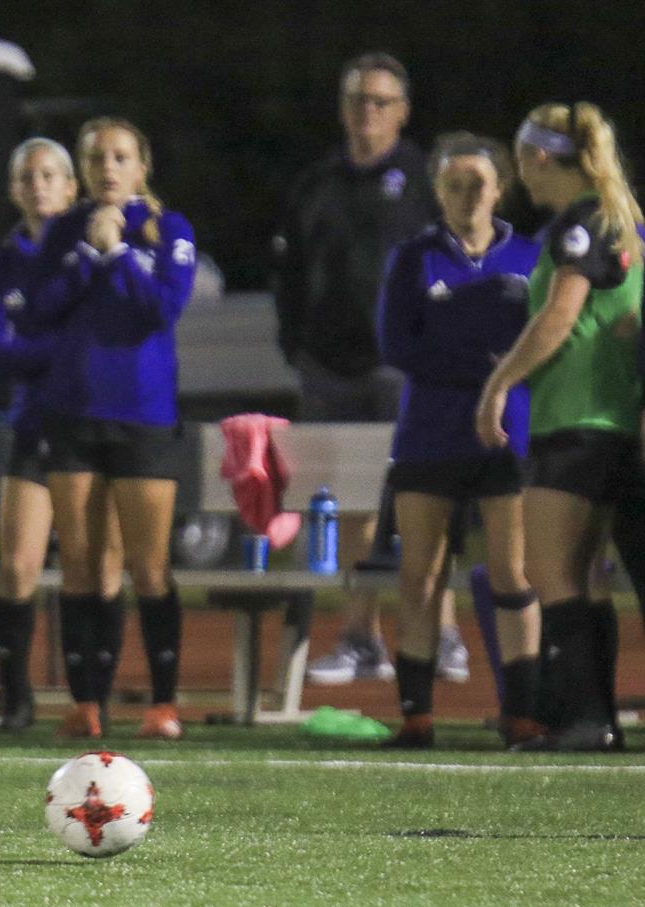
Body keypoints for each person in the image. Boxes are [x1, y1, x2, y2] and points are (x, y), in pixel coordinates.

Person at [271, 53, 465, 686]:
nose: (367, 113)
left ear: (403, 111)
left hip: (404, 369)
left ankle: (443, 633)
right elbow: (292, 272)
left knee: (421, 500)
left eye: (381, 102)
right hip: (331, 366)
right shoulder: (317, 181)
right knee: (351, 506)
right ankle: (361, 637)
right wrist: (295, 341)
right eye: (357, 100)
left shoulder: (424, 181)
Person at [477, 103, 644, 752]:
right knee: (586, 574)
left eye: (522, 161)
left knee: (551, 573)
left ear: (538, 157)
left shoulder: (582, 224)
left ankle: (583, 720)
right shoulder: (624, 219)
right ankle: (594, 718)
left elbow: (558, 317)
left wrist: (499, 384)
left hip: (577, 421)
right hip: (613, 421)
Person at [376, 134, 541, 748]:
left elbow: (544, 340)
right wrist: (489, 365)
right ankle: (417, 717)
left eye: (479, 183)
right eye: (454, 184)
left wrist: (505, 375)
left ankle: (522, 716)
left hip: (509, 436)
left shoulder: (530, 256)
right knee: (420, 576)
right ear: (436, 190)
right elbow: (397, 344)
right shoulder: (414, 258)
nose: (467, 195)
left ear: (501, 188)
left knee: (512, 574)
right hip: (430, 436)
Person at [32, 118, 194, 741]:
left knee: (147, 567)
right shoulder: (66, 230)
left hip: (144, 414)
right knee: (80, 564)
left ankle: (161, 702)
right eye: (97, 158)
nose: (107, 168)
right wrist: (88, 253)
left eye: (120, 157)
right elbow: (42, 308)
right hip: (73, 413)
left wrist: (119, 252)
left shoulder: (169, 229)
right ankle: (87, 702)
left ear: (141, 166)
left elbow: (161, 308)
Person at [0, 137, 123, 734]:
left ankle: (94, 701)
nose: (38, 185)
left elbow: (104, 337)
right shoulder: (2, 264)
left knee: (100, 567)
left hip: (94, 429)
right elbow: (0, 354)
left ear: (71, 187)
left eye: (50, 175)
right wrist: (61, 353)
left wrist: (45, 351)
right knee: (16, 569)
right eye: (26, 175)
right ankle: (16, 700)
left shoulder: (91, 249)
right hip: (36, 427)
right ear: (15, 189)